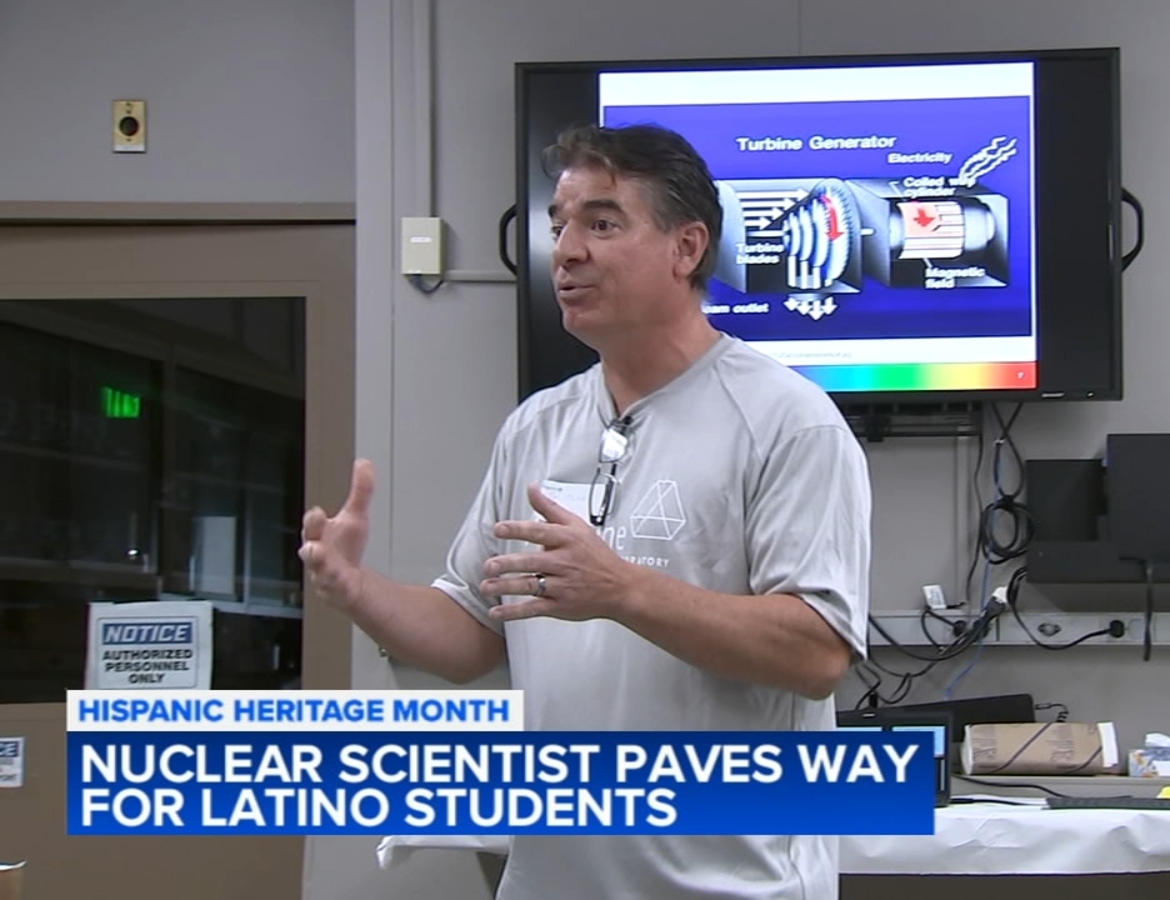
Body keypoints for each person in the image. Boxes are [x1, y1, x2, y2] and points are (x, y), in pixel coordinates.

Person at [298, 123, 872, 899]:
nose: (565, 250)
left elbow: (816, 655)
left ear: (687, 247)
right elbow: (471, 634)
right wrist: (356, 589)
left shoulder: (786, 420)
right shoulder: (537, 425)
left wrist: (625, 590)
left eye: (602, 223)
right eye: (558, 225)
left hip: (737, 884)